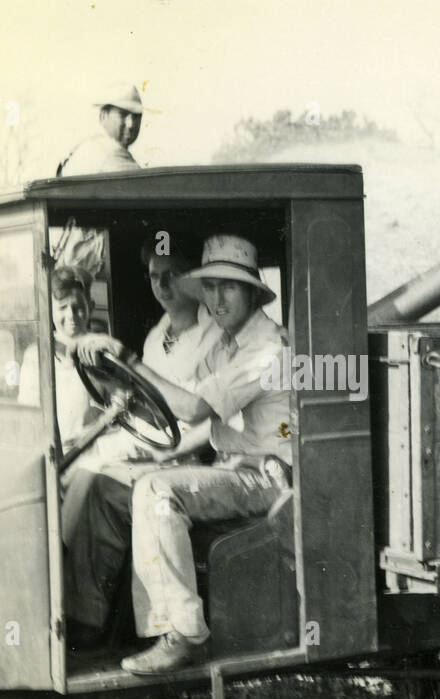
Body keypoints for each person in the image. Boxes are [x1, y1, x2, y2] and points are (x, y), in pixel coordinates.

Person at [72, 233, 292, 674]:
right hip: (228, 467)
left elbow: (193, 408)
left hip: (266, 479)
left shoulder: (267, 348)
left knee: (156, 492)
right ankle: (89, 626)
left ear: (252, 291)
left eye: (228, 286)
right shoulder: (228, 344)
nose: (216, 297)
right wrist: (154, 448)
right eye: (209, 287)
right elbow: (203, 423)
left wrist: (131, 362)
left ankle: (185, 632)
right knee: (108, 487)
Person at [59, 234, 224, 644]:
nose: (162, 286)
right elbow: (148, 403)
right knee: (77, 470)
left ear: (193, 277)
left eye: (173, 275)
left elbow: (214, 419)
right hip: (153, 445)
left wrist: (169, 454)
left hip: (190, 460)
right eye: (154, 277)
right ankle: (73, 609)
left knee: (96, 481)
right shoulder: (156, 336)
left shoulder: (216, 338)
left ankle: (90, 622)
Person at [18, 265, 100, 455]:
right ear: (50, 311)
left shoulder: (103, 353)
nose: (71, 315)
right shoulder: (36, 357)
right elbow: (28, 415)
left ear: (91, 307)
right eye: (62, 308)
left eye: (78, 307)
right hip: (50, 456)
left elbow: (118, 414)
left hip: (92, 454)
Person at [56, 84, 144, 176]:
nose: (131, 124)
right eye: (122, 115)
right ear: (103, 116)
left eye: (136, 116)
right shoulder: (111, 152)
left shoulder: (90, 146)